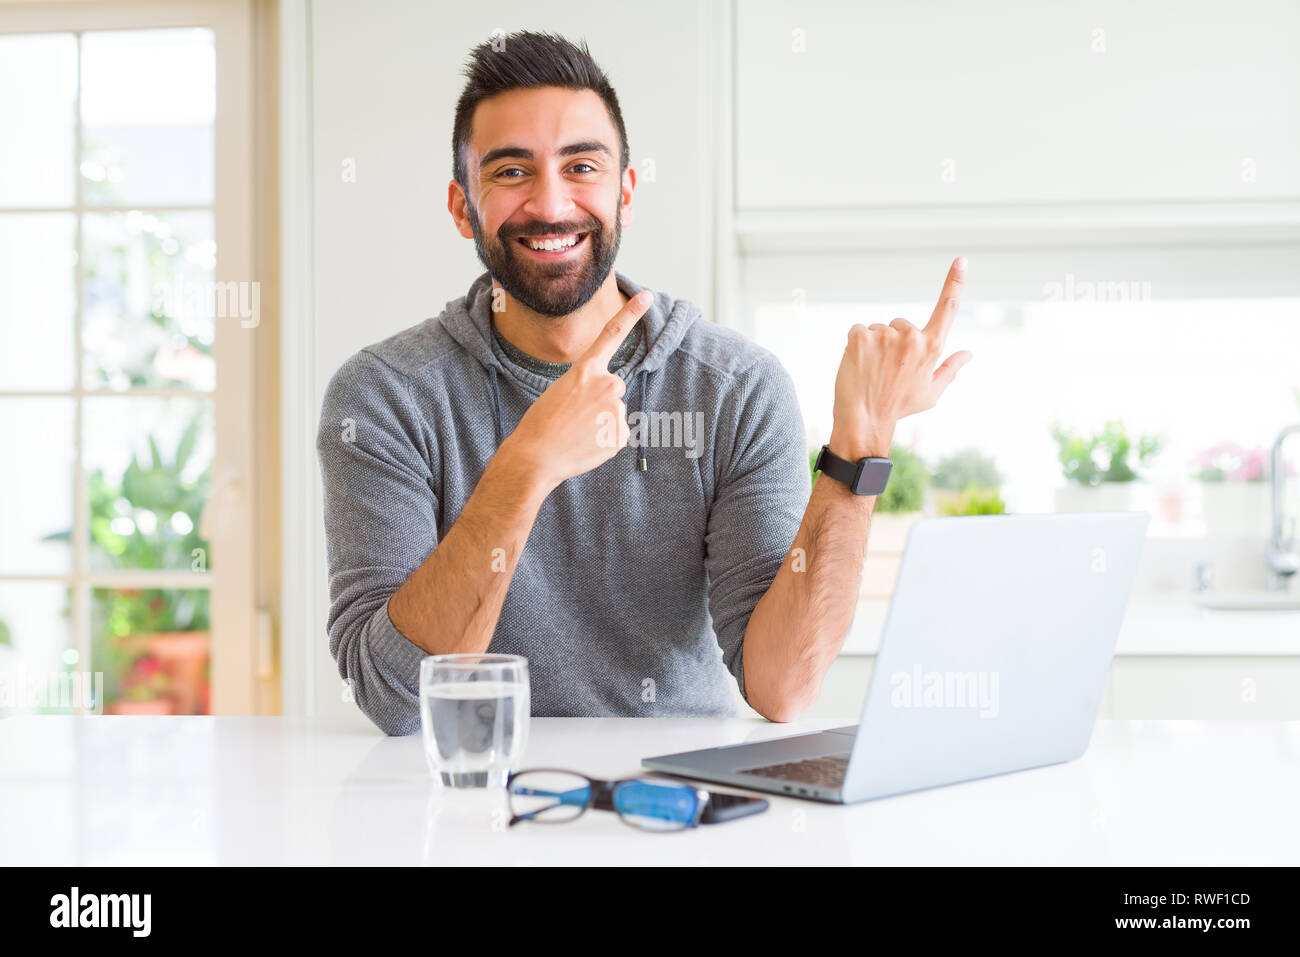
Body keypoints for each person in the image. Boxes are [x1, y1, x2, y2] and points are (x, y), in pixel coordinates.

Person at [317, 30, 972, 735]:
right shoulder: (384, 396)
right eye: (511, 172)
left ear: (625, 191)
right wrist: (528, 464)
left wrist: (858, 449)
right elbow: (393, 697)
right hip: (472, 803)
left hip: (682, 804)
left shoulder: (734, 388)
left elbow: (783, 686)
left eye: (582, 166)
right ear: (460, 206)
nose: (551, 204)